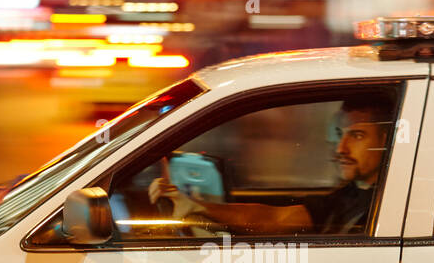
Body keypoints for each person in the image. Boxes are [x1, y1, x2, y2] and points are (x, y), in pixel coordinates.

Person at [148, 95, 394, 235]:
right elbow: (278, 217)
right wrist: (196, 206)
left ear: (386, 140)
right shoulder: (352, 193)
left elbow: (278, 219)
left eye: (357, 136)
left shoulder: (387, 200)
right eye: (340, 134)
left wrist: (199, 207)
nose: (341, 148)